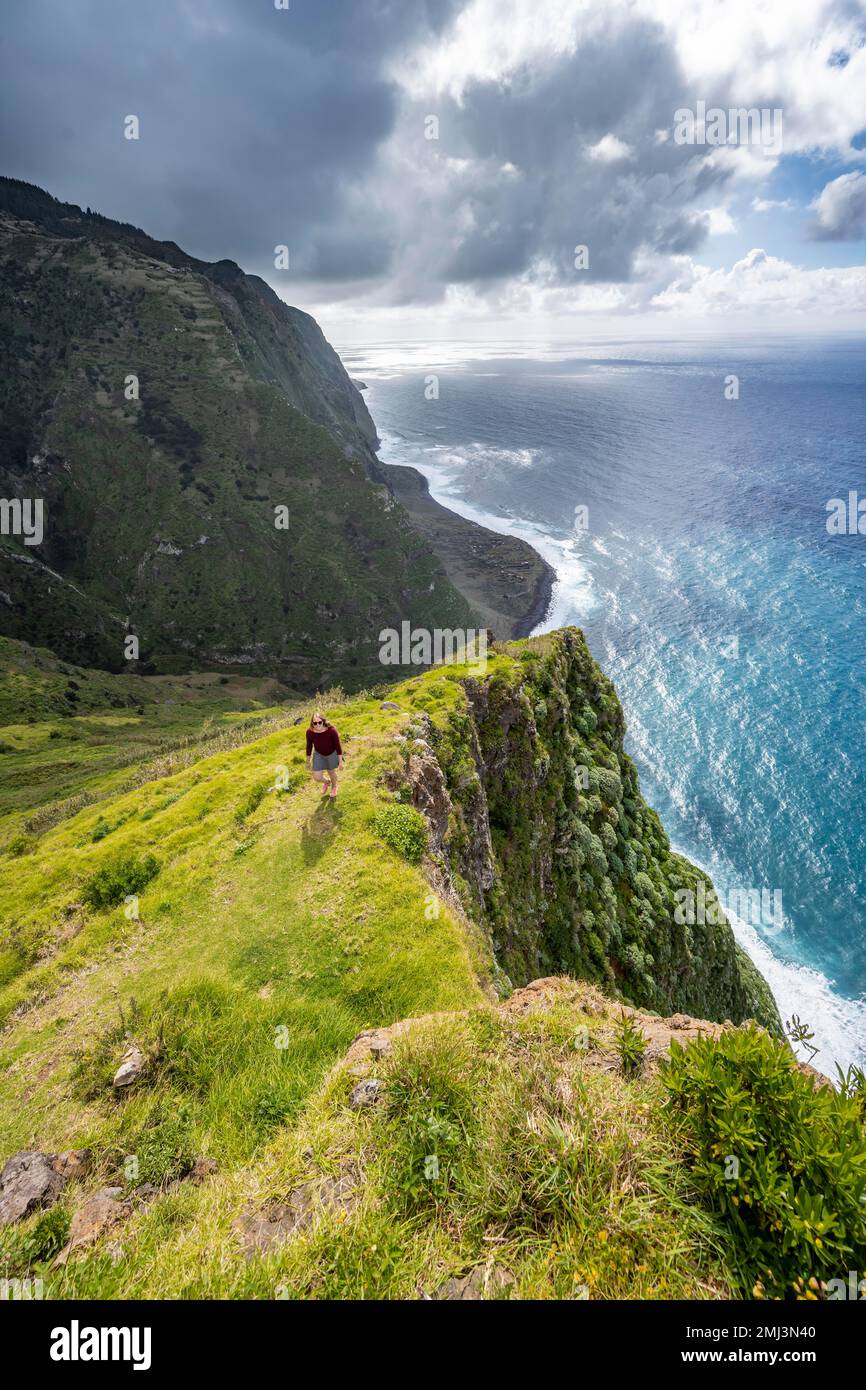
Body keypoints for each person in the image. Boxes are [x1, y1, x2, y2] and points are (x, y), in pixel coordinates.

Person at [305, 710, 343, 798]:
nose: (317, 724)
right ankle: (327, 782)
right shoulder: (310, 732)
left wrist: (340, 761)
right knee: (317, 777)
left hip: (331, 754)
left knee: (331, 772)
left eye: (319, 722)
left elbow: (338, 746)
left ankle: (334, 787)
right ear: (312, 723)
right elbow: (309, 747)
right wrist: (307, 761)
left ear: (323, 721)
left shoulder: (331, 730)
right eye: (315, 723)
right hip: (319, 754)